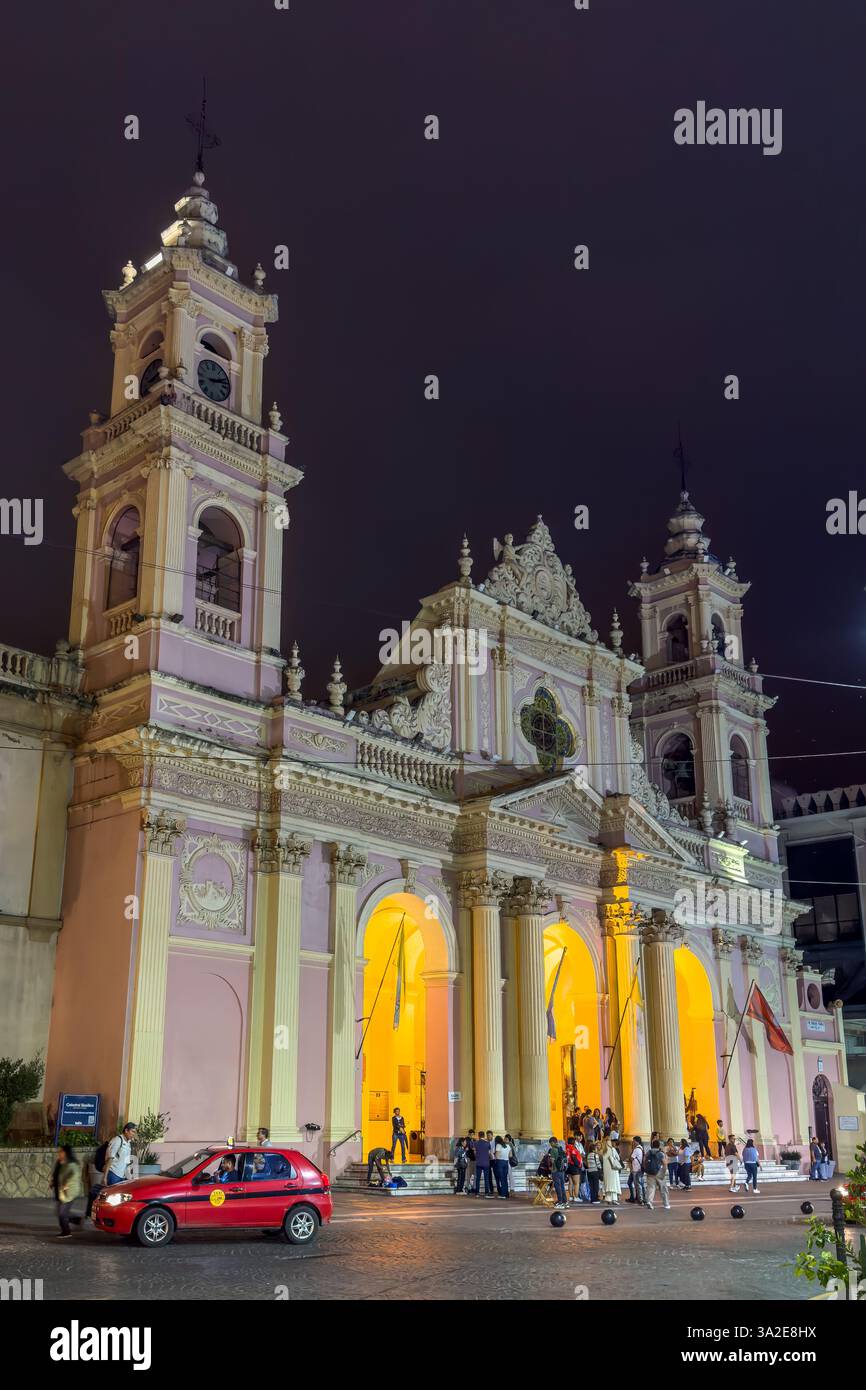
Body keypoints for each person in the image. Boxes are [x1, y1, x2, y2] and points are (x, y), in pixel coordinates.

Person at [54, 1144, 82, 1239]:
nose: (59, 1153)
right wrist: (52, 1182)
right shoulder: (61, 1161)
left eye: (61, 1151)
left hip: (69, 1192)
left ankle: (66, 1231)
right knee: (61, 1212)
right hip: (61, 1191)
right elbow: (57, 1173)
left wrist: (67, 1184)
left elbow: (75, 1175)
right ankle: (77, 1220)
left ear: (66, 1153)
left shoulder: (72, 1164)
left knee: (62, 1213)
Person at [643, 1139, 670, 1211]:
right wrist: (663, 1173)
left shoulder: (648, 1152)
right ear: (659, 1145)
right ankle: (666, 1204)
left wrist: (646, 1169)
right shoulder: (660, 1153)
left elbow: (644, 1161)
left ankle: (649, 1201)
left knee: (650, 1188)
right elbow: (665, 1163)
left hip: (650, 1172)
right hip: (659, 1172)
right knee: (663, 1188)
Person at [599, 1134, 623, 1204]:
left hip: (606, 1170)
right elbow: (618, 1158)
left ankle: (608, 1198)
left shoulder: (603, 1151)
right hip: (613, 1169)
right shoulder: (613, 1149)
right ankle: (614, 1199)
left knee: (608, 1184)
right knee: (613, 1184)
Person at [547, 1137, 568, 1210]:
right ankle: (565, 1202)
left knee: (557, 1187)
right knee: (562, 1186)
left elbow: (552, 1161)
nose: (550, 1145)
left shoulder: (553, 1150)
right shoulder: (560, 1148)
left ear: (552, 1142)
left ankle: (560, 1202)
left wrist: (551, 1168)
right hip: (562, 1171)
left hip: (555, 1171)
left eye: (550, 1143)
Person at [473, 1130, 494, 1196]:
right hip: (486, 1163)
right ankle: (486, 1192)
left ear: (478, 1136)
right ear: (484, 1136)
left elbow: (475, 1153)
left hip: (478, 1162)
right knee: (486, 1178)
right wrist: (492, 1158)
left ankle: (477, 1193)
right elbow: (490, 1153)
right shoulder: (487, 1143)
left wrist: (477, 1157)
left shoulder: (476, 1143)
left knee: (478, 1178)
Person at [565, 1135, 583, 1204]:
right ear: (573, 1142)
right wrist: (578, 1165)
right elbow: (574, 1157)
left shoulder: (567, 1148)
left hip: (569, 1167)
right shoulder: (572, 1148)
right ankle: (576, 1197)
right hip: (574, 1167)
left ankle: (571, 1196)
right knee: (576, 1183)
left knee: (571, 1183)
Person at [629, 1136, 646, 1205]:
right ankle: (639, 1198)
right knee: (639, 1184)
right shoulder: (641, 1148)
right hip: (639, 1169)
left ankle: (640, 1199)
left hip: (636, 1169)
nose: (632, 1142)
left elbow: (631, 1158)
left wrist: (632, 1149)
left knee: (638, 1184)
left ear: (637, 1141)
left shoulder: (636, 1149)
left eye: (633, 1141)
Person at [465, 1129, 477, 1195]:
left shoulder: (475, 1140)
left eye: (473, 1134)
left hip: (474, 1159)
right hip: (469, 1158)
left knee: (475, 1175)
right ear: (469, 1134)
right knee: (468, 1175)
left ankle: (474, 1188)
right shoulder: (466, 1140)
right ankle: (468, 1187)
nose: (472, 1135)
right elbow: (465, 1149)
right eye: (471, 1134)